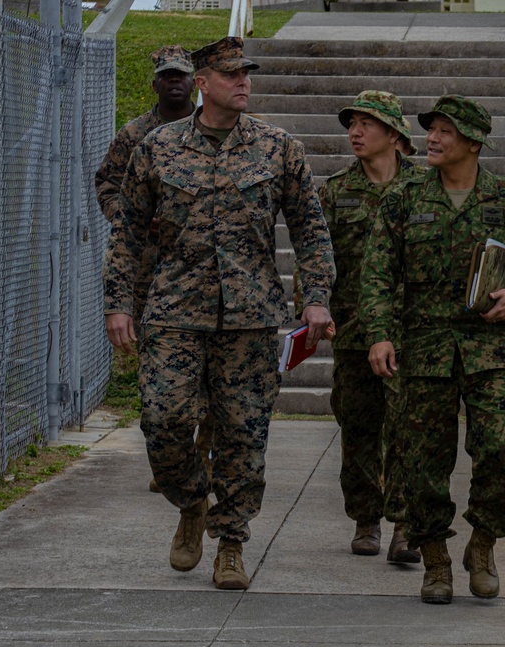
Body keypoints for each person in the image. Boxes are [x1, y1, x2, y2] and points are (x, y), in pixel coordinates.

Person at [103, 36, 335, 591]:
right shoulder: (157, 148)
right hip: (174, 310)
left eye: (246, 74)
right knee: (163, 421)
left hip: (251, 315)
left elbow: (310, 229)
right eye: (231, 75)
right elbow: (128, 233)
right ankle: (191, 502)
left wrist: (317, 295)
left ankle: (230, 544)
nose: (243, 83)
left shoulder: (279, 148)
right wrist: (117, 304)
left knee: (243, 435)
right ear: (203, 84)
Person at [360, 95, 505, 604]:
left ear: (473, 142)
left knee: (499, 450)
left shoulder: (504, 200)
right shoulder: (405, 198)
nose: (433, 138)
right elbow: (378, 274)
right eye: (431, 130)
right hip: (423, 348)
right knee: (422, 463)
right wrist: (379, 334)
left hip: (487, 349)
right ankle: (436, 561)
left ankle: (484, 543)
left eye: (446, 131)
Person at [94, 44, 212, 495]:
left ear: (195, 81)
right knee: (159, 368)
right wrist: (131, 217)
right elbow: (107, 183)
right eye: (167, 75)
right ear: (156, 82)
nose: (175, 81)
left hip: (199, 269)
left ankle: (201, 448)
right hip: (149, 270)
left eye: (182, 74)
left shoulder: (210, 129)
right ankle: (173, 459)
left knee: (205, 366)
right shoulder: (136, 134)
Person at [314, 90, 425, 562]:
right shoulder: (336, 189)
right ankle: (365, 518)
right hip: (355, 330)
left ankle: (404, 523)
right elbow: (317, 255)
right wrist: (315, 303)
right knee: (358, 425)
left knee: (407, 427)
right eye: (352, 124)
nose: (355, 133)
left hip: (412, 331)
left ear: (394, 135)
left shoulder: (426, 187)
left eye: (367, 124)